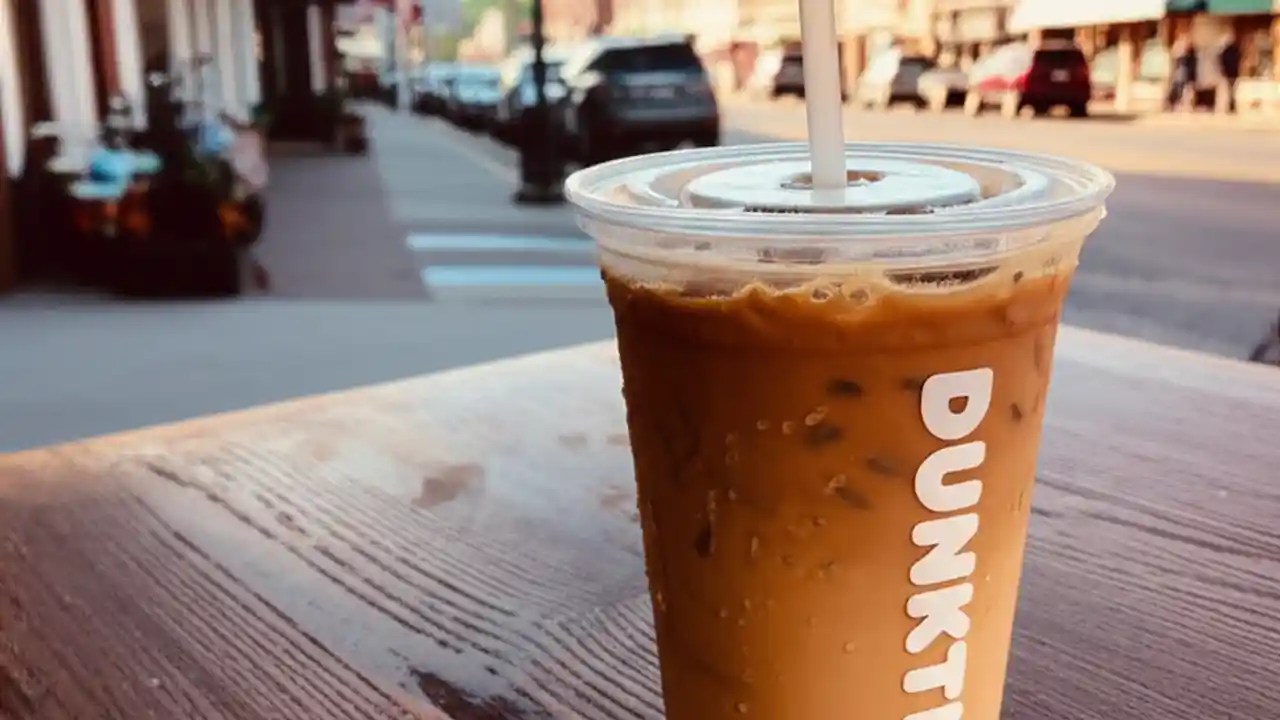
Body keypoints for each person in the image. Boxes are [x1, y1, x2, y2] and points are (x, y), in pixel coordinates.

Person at [1168, 39, 1197, 111]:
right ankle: (1183, 104)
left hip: (1183, 77)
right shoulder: (1186, 58)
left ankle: (1182, 104)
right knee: (1183, 90)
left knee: (1183, 90)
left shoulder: (1186, 58)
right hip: (1183, 77)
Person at [1218, 35, 1242, 114]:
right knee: (1232, 90)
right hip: (1234, 73)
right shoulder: (1235, 51)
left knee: (1230, 90)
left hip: (1229, 73)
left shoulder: (1225, 52)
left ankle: (1230, 105)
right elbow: (1239, 59)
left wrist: (1223, 70)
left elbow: (1221, 60)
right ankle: (1232, 105)